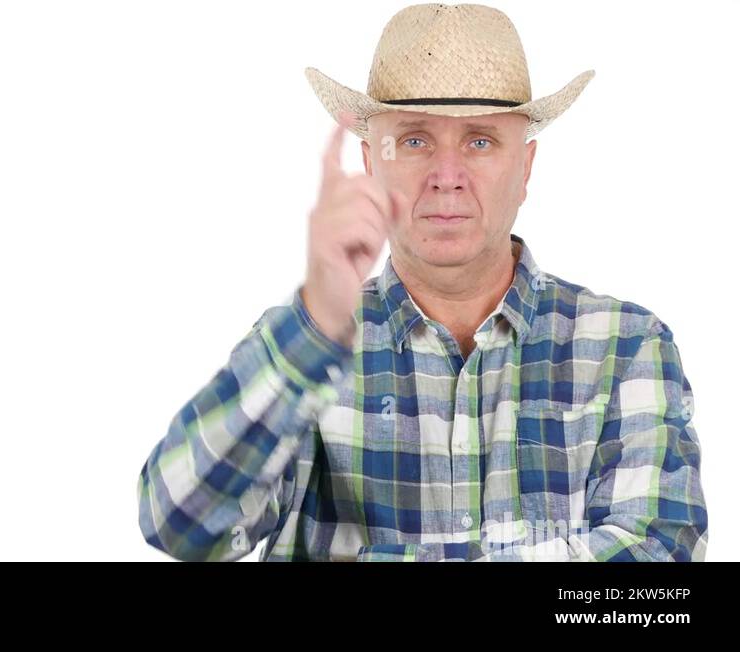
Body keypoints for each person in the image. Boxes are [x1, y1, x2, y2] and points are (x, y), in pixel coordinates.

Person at [136, 3, 708, 561]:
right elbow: (180, 527)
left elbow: (657, 566)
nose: (447, 177)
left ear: (526, 166)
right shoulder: (297, 351)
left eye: (480, 141)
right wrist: (313, 326)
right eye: (414, 140)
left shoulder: (625, 345)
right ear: (370, 162)